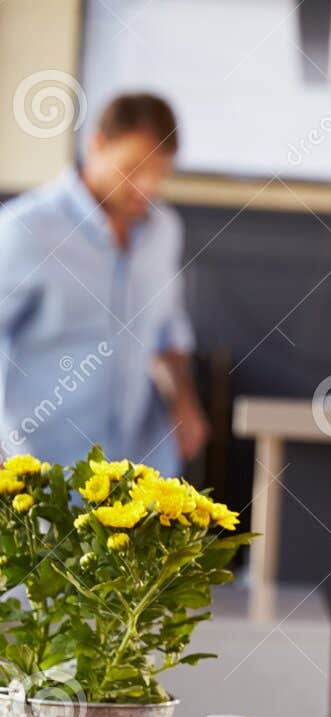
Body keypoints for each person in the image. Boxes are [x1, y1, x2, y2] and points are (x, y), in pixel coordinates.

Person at [0, 92, 209, 477]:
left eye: (159, 174)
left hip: (139, 468)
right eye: (132, 168)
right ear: (96, 145)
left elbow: (168, 330)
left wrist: (185, 404)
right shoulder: (25, 230)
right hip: (43, 474)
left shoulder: (164, 231)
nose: (145, 188)